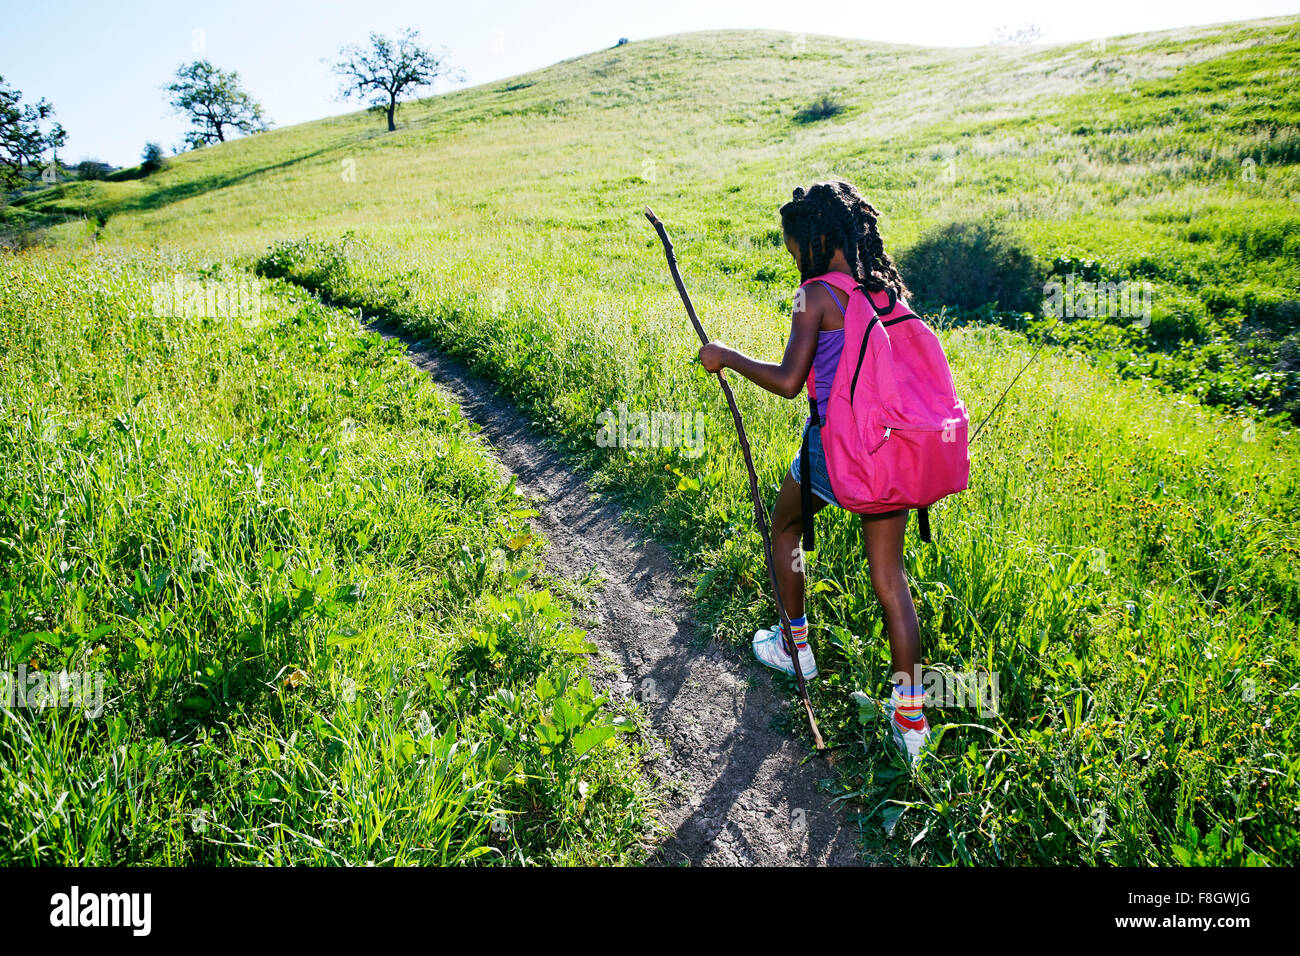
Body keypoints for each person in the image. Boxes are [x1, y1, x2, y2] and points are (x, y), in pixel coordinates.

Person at [697, 180, 930, 761]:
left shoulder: (813, 297)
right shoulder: (883, 294)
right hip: (891, 453)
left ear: (814, 240)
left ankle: (796, 646)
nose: (791, 257)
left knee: (785, 530)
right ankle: (912, 722)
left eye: (793, 246)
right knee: (891, 580)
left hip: (836, 451)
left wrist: (724, 355)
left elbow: (787, 381)